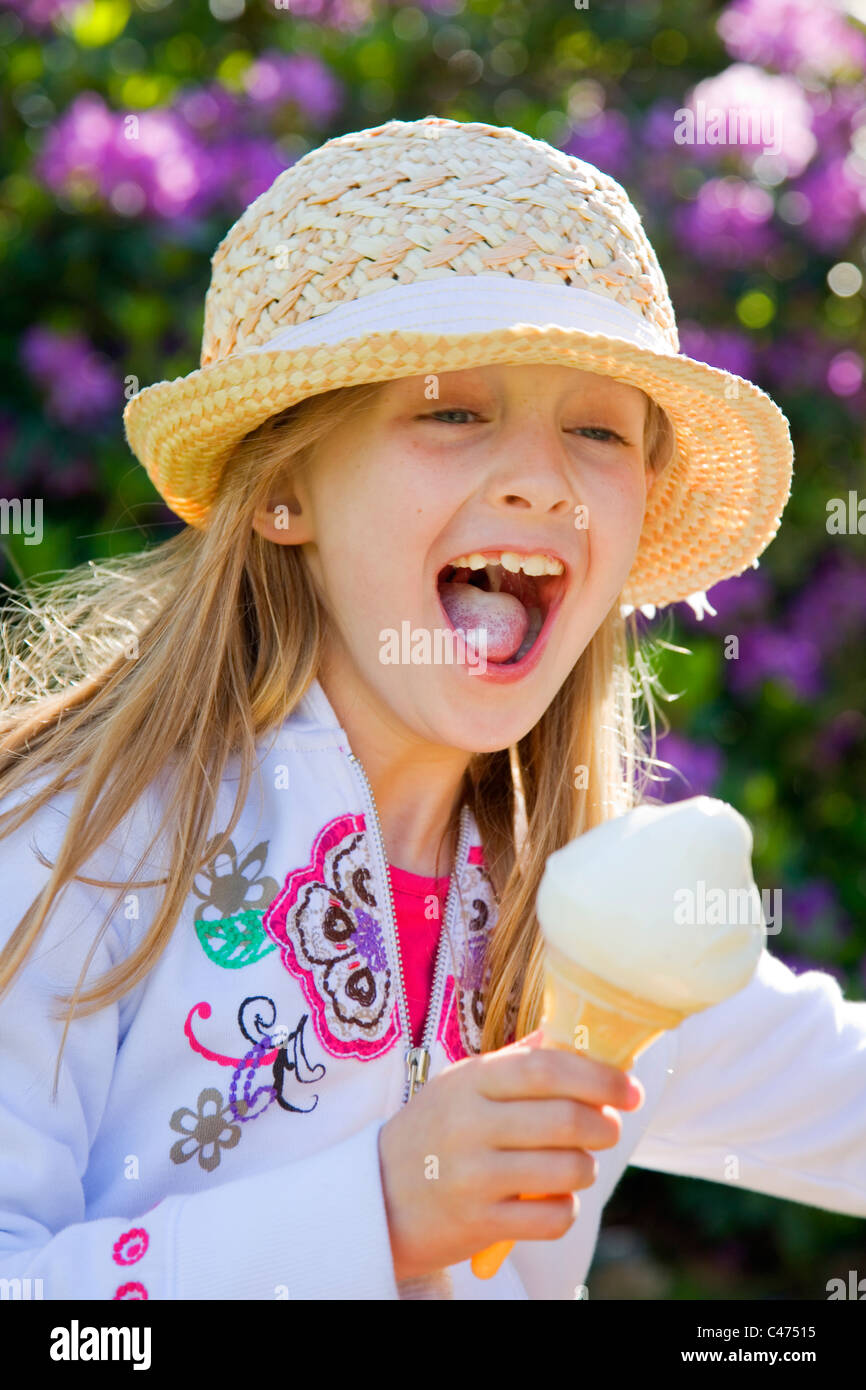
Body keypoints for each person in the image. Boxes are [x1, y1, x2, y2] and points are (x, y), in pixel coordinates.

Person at [0, 116, 862, 1303]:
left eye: (597, 429)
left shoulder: (595, 925)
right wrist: (375, 1211)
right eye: (452, 409)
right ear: (285, 488)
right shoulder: (70, 849)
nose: (539, 477)